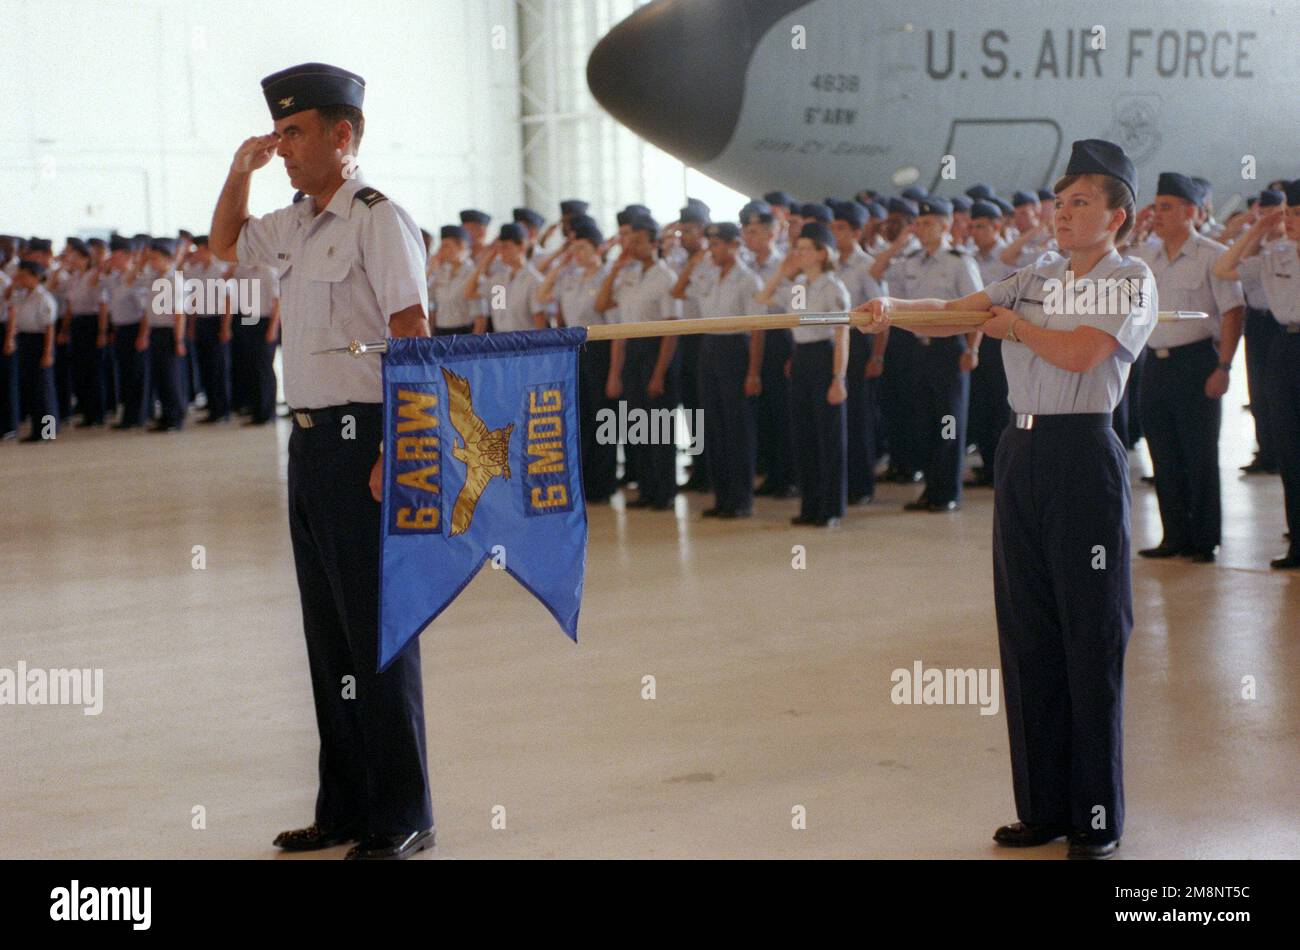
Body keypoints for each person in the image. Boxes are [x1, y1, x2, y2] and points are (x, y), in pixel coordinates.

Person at [859, 138, 1157, 859]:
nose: (1063, 213)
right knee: (1028, 636)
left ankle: (1096, 816)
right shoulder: (1035, 272)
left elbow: (1085, 352)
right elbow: (958, 310)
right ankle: (1044, 806)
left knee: (1089, 635)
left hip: (1082, 452)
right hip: (1021, 454)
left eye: (1080, 202)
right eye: (1059, 202)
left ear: (1117, 214)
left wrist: (1017, 329)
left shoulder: (1129, 277)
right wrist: (893, 309)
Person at [209, 61, 435, 859]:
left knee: (377, 633)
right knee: (328, 639)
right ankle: (344, 805)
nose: (285, 146)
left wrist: (403, 449)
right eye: (279, 131)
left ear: (345, 135)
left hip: (367, 440)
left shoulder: (379, 219)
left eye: (297, 132)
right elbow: (224, 245)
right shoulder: (297, 221)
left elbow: (413, 335)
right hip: (309, 442)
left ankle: (403, 813)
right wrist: (241, 170)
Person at [1133, 173, 1244, 562]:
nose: (1158, 214)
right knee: (1162, 454)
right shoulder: (1146, 254)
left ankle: (1204, 539)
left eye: (1167, 207)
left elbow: (1232, 312)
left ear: (1191, 212)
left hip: (1197, 362)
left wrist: (1224, 367)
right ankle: (1174, 535)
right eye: (1156, 205)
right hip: (1155, 366)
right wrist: (1135, 226)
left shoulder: (1213, 254)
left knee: (1199, 455)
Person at [1212, 179, 1300, 569]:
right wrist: (1259, 229)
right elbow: (1224, 267)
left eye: (1297, 214)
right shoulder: (1277, 254)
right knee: (1290, 449)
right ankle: (1298, 541)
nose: (1291, 221)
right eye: (1291, 212)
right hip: (1285, 346)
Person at [880, 197, 983, 512]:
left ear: (945, 225)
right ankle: (930, 489)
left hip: (948, 350)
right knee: (923, 421)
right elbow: (885, 286)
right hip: (917, 348)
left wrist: (973, 348)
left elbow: (977, 308)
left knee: (948, 421)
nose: (921, 229)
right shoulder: (911, 261)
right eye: (919, 223)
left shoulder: (959, 261)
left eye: (928, 223)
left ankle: (948, 492)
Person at [757, 222, 850, 527]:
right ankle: (810, 505)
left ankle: (831, 507)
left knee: (828, 437)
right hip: (801, 357)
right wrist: (783, 271)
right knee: (804, 435)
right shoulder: (800, 286)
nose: (799, 254)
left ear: (822, 253)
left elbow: (841, 335)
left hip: (824, 356)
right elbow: (765, 298)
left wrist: (838, 378)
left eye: (805, 249)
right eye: (797, 249)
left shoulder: (834, 286)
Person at [674, 221, 764, 518]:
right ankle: (722, 497)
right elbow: (678, 291)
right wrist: (694, 263)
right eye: (709, 245)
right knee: (713, 425)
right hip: (709, 347)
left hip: (735, 349)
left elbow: (758, 329)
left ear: (733, 245)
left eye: (717, 245)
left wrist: (753, 372)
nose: (711, 250)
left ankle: (741, 499)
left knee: (737, 427)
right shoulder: (709, 275)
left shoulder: (748, 280)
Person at [595, 215, 680, 511]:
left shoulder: (666, 277)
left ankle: (664, 491)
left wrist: (659, 373)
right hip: (631, 347)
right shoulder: (628, 275)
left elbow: (672, 328)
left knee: (659, 425)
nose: (632, 246)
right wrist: (614, 270)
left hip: (656, 347)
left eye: (638, 241)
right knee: (637, 425)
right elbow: (603, 305)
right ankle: (646, 488)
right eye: (629, 241)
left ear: (655, 244)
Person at [537, 219, 617, 502]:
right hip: (574, 352)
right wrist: (561, 263)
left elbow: (615, 327)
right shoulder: (569, 277)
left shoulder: (608, 277)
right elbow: (542, 294)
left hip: (600, 351)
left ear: (598, 249)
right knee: (579, 418)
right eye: (575, 248)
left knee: (601, 418)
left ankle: (604, 484)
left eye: (583, 248)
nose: (578, 253)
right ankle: (584, 482)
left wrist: (614, 372)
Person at [830, 200, 886, 505]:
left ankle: (862, 484)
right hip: (835, 343)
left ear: (855, 232)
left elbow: (882, 315)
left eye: (840, 229)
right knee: (838, 416)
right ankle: (842, 480)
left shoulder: (868, 266)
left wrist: (877, 356)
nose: (835, 234)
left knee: (859, 415)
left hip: (860, 343)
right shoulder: (830, 265)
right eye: (833, 228)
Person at [1233, 189, 1287, 474]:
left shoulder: (1290, 244)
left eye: (1273, 211)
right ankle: (1265, 451)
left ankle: (1283, 452)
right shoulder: (1258, 243)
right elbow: (1231, 268)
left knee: (1281, 392)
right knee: (1259, 391)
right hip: (1257, 320)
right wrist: (1255, 231)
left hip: (1281, 323)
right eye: (1262, 212)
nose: (1267, 217)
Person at [965, 200, 1014, 486]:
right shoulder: (969, 257)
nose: (975, 232)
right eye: (972, 226)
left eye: (981, 226)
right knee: (981, 402)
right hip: (977, 334)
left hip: (1003, 336)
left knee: (1001, 402)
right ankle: (987, 463)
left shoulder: (1010, 257)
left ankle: (1003, 466)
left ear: (997, 227)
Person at [4, 260, 59, 442]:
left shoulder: (44, 297)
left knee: (44, 390)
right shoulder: (22, 295)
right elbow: (7, 298)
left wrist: (47, 353)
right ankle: (37, 430)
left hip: (40, 342)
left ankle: (48, 431)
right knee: (32, 389)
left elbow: (49, 328)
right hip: (25, 341)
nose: (20, 278)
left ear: (35, 277)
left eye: (23, 275)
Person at [59, 238, 109, 427]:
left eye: (75, 257)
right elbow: (70, 306)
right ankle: (86, 411)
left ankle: (97, 414)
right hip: (78, 324)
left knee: (93, 371)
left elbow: (103, 306)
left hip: (92, 323)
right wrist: (65, 329)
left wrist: (102, 332)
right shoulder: (74, 278)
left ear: (85, 258)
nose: (71, 260)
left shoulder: (95, 277)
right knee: (80, 370)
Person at [464, 223, 547, 333]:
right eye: (499, 248)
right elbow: (469, 293)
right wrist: (485, 261)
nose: (501, 252)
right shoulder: (500, 279)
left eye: (506, 247)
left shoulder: (533, 280)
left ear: (522, 246)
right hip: (500, 340)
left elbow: (540, 323)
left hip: (524, 342)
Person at [427, 225, 481, 336]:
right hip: (441, 332)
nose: (440, 250)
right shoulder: (441, 271)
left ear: (461, 246)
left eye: (446, 246)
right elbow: (426, 297)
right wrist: (430, 270)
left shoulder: (473, 274)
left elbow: (480, 317)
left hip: (464, 333)